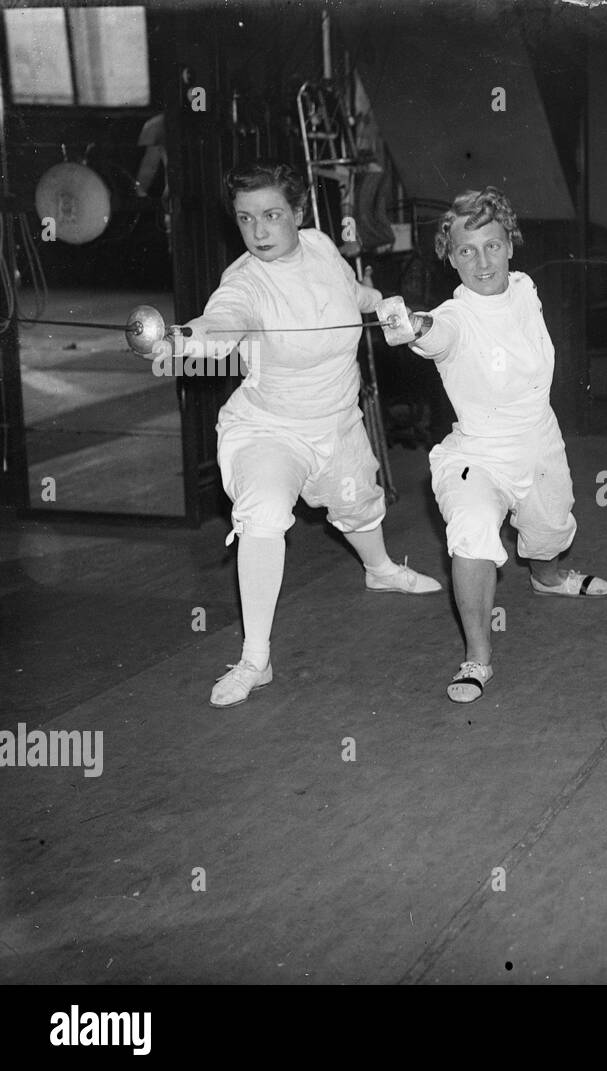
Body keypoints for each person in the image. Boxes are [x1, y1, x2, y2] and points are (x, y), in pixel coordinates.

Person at [170, 160, 440, 708]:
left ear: (298, 212)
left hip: (337, 420)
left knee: (359, 503)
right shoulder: (244, 283)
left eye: (272, 215)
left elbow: (351, 293)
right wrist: (180, 341)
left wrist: (384, 304)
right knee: (263, 515)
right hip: (269, 430)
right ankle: (255, 659)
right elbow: (220, 326)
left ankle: (381, 570)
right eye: (246, 219)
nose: (260, 231)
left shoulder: (318, 245)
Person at [406, 187, 607, 703]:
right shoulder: (452, 318)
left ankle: (548, 577)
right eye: (466, 251)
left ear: (511, 246)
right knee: (472, 529)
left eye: (492, 246)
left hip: (539, 442)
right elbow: (435, 335)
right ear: (450, 258)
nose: (481, 261)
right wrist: (412, 325)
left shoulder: (524, 289)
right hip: (477, 453)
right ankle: (477, 658)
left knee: (548, 533)